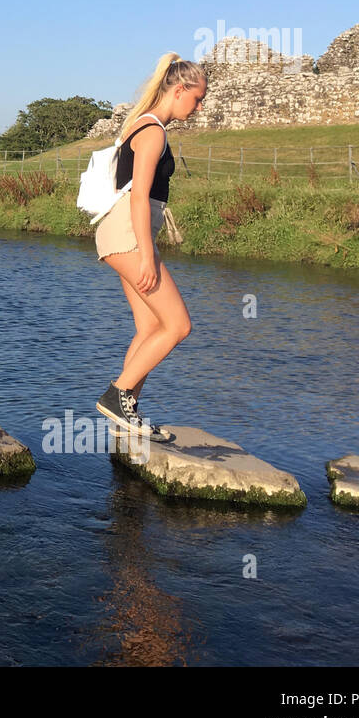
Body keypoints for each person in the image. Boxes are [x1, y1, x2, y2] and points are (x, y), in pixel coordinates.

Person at [94, 53, 207, 437]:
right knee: (178, 325)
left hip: (126, 235)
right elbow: (139, 195)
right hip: (129, 235)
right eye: (197, 98)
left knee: (147, 328)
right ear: (178, 91)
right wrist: (146, 254)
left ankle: (124, 413)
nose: (199, 106)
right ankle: (118, 394)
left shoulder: (143, 125)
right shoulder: (153, 130)